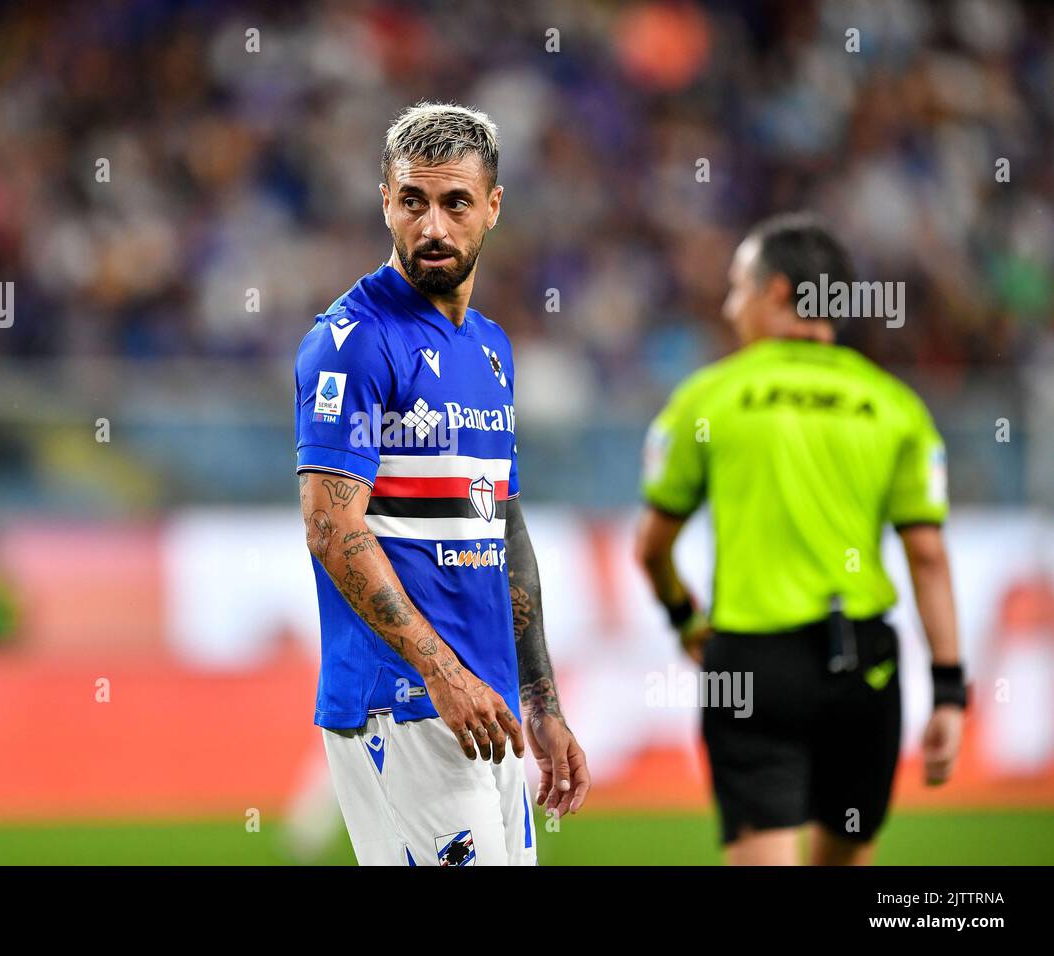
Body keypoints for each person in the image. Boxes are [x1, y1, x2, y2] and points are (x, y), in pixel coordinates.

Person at [294, 102, 590, 866]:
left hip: (483, 705)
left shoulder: (489, 349)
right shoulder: (351, 345)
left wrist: (542, 701)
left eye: (456, 202)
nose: (433, 226)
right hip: (402, 704)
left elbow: (504, 529)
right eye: (413, 201)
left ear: (492, 207)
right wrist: (441, 673)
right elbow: (332, 528)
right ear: (385, 201)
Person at [634, 213, 967, 865]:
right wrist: (950, 691)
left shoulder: (709, 398)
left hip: (752, 664)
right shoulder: (895, 405)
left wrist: (685, 620)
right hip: (864, 666)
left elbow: (651, 548)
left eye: (738, 288)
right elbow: (927, 556)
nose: (731, 308)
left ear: (778, 293)